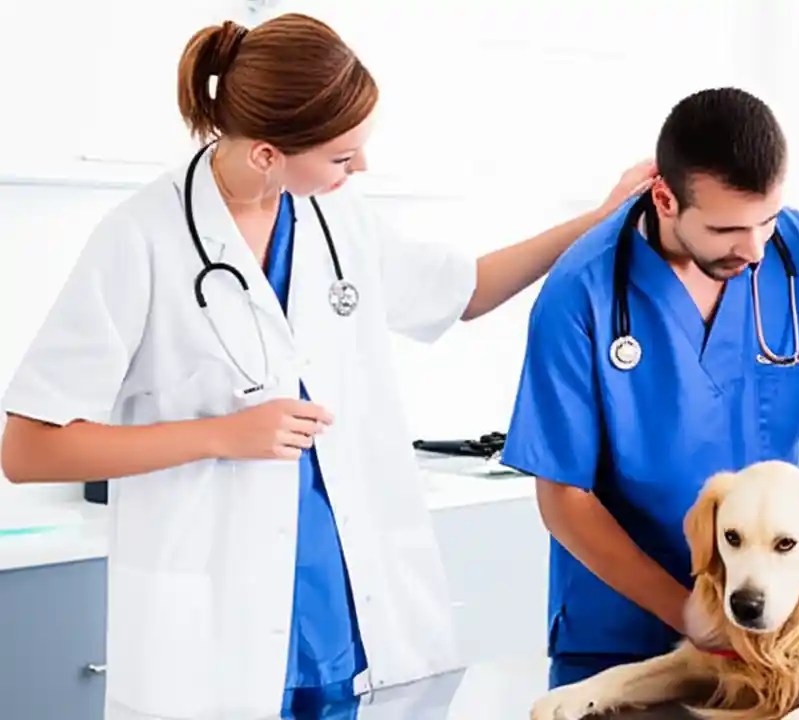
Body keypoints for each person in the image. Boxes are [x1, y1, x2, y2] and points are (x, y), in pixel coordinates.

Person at [0, 13, 654, 720]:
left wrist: (599, 218)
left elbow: (465, 291)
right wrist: (224, 433)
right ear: (267, 155)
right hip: (216, 627)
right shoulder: (142, 238)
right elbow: (29, 449)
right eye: (343, 156)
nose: (361, 169)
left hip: (347, 615)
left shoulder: (335, 219)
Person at [500, 87, 799, 688]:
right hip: (621, 631)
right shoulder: (580, 294)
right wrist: (689, 611)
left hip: (779, 630)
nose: (752, 250)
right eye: (726, 229)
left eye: (765, 221)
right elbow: (563, 500)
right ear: (664, 199)